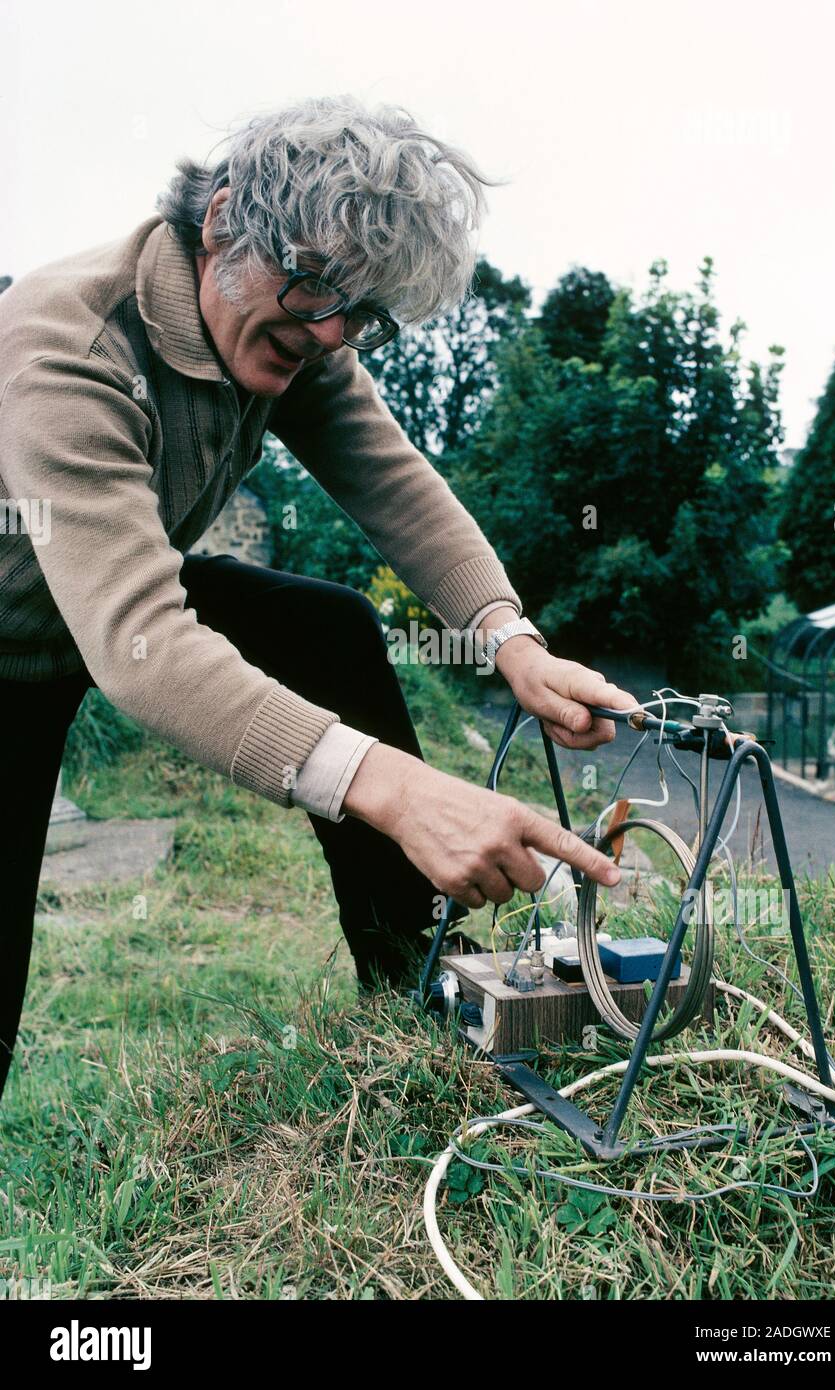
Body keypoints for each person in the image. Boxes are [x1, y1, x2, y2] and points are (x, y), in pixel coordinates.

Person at [0, 95, 634, 1101]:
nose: (332, 329)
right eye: (310, 286)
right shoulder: (66, 340)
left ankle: (412, 974)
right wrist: (397, 789)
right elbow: (141, 646)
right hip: (20, 635)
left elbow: (394, 486)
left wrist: (511, 643)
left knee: (325, 626)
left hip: (109, 608)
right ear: (219, 227)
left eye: (361, 312)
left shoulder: (300, 331)